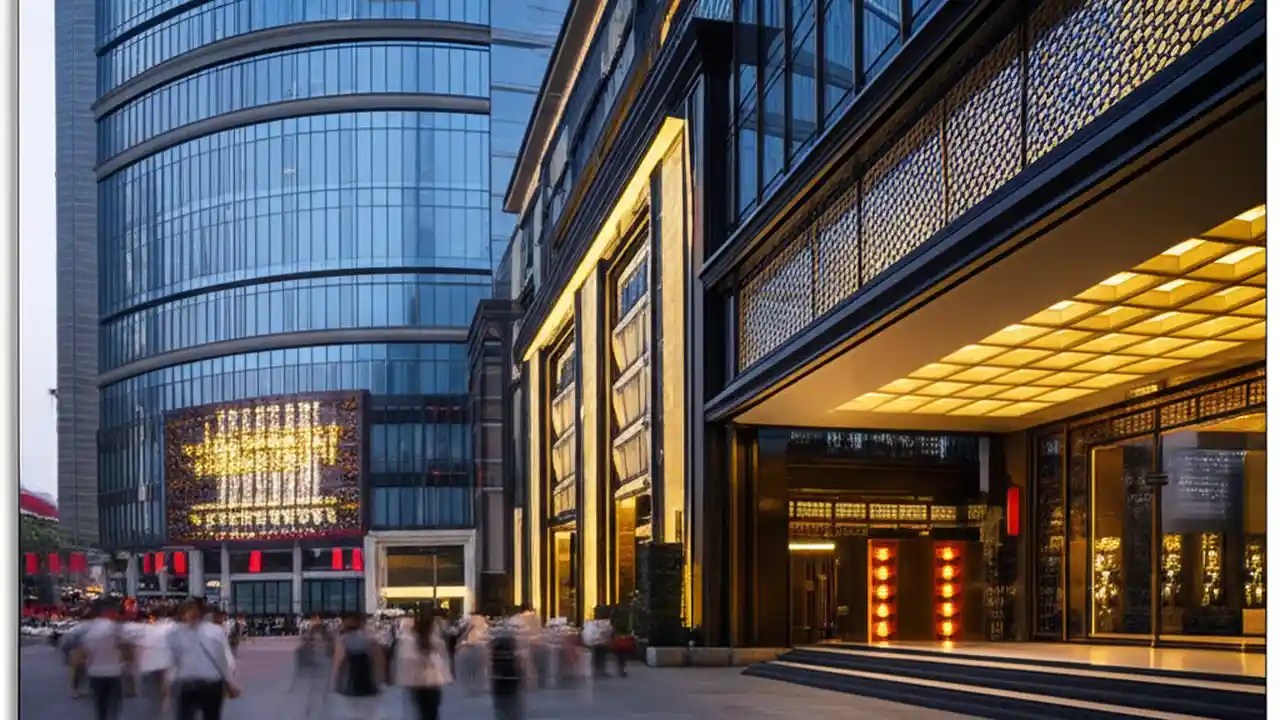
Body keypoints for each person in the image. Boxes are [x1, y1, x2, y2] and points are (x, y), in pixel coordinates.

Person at [168, 599, 239, 720]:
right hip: (211, 682)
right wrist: (230, 682)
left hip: (186, 683)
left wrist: (168, 683)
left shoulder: (174, 632)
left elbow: (173, 661)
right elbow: (222, 660)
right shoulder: (215, 631)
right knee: (211, 716)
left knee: (185, 715)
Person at [77, 599, 135, 720]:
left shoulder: (87, 628)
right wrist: (129, 662)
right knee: (113, 709)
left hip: (94, 673)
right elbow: (125, 647)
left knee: (100, 708)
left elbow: (82, 654)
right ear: (109, 612)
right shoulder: (115, 628)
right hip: (113, 673)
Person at [394, 614, 452, 720]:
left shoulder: (409, 642)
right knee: (431, 712)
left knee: (421, 711)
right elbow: (443, 661)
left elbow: (405, 660)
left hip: (418, 683)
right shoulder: (434, 642)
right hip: (431, 682)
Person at [331, 612, 386, 720]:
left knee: (351, 713)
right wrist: (381, 679)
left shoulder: (343, 640)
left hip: (349, 685)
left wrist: (335, 680)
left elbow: (338, 661)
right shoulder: (370, 639)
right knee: (369, 714)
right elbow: (379, 660)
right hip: (369, 685)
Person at [137, 607, 175, 717]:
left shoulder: (146, 629)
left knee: (154, 687)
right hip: (166, 659)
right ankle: (165, 704)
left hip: (150, 662)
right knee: (165, 683)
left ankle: (156, 705)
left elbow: (140, 645)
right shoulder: (171, 626)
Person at [289, 624, 331, 718]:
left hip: (326, 684)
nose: (316, 643)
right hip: (312, 684)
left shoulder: (332, 650)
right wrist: (293, 687)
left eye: (319, 640)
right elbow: (299, 671)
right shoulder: (303, 651)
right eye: (313, 640)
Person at [490, 623, 524, 720]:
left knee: (501, 710)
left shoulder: (496, 658)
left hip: (499, 688)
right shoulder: (513, 659)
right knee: (512, 710)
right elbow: (519, 672)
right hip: (511, 688)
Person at [59, 614, 90, 698]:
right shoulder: (96, 626)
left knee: (77, 670)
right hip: (87, 649)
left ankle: (76, 690)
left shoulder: (77, 628)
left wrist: (66, 658)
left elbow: (66, 643)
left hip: (77, 649)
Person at [582, 608, 613, 678]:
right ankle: (600, 671)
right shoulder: (606, 623)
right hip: (602, 643)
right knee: (601, 657)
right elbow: (608, 632)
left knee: (596, 656)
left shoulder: (592, 622)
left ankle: (597, 671)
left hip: (594, 642)